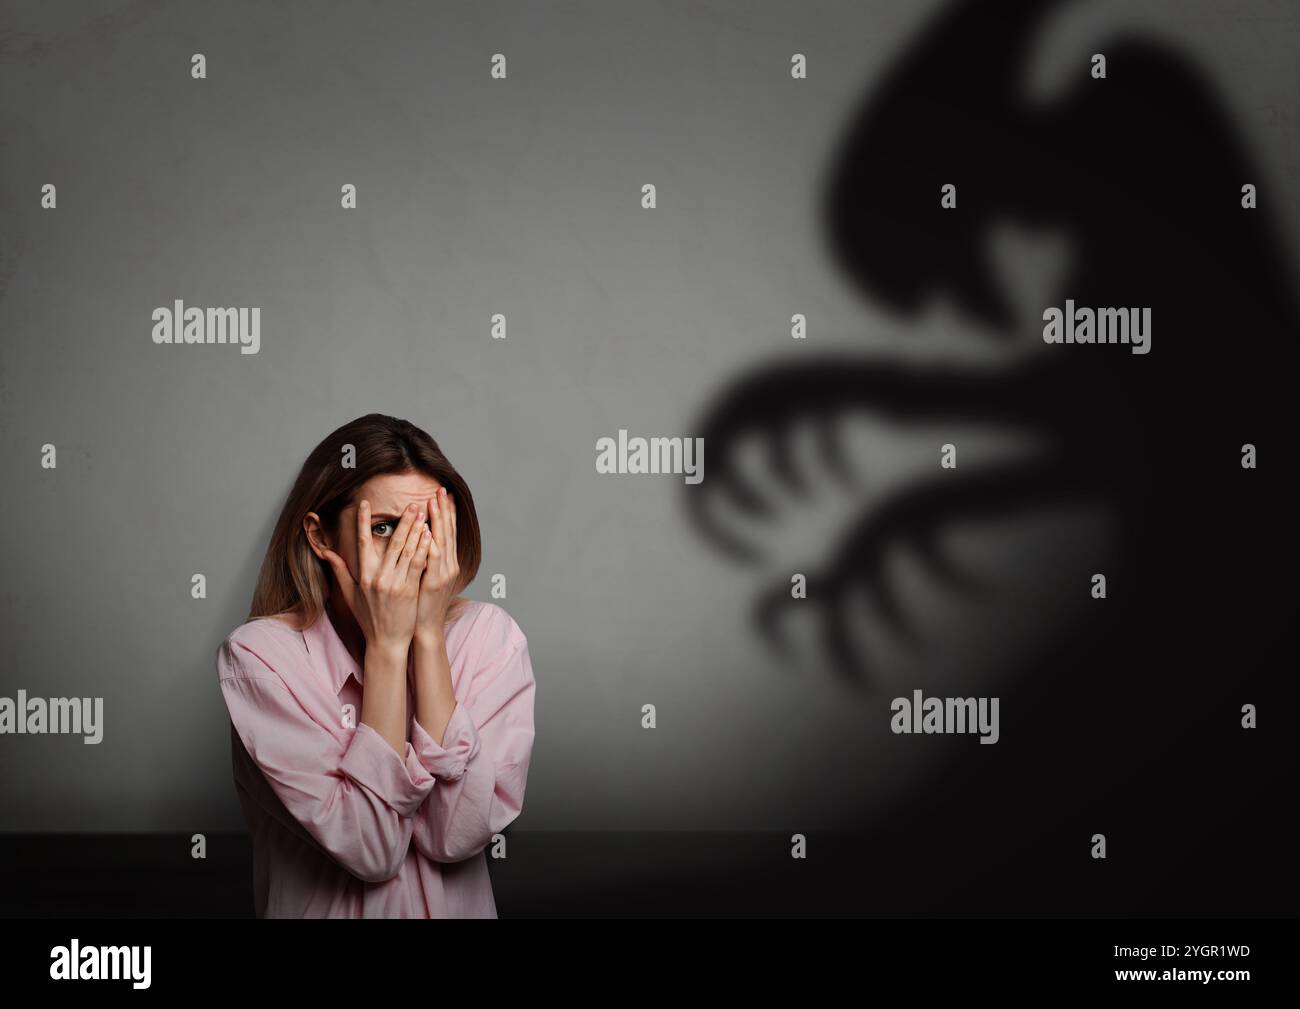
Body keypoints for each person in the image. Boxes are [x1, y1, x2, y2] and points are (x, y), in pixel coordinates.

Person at [215, 413, 535, 917]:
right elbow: (372, 850)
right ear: (320, 537)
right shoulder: (260, 658)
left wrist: (426, 638)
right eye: (385, 528)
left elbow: (456, 837)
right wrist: (386, 650)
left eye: (429, 528)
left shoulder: (490, 639)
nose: (413, 554)